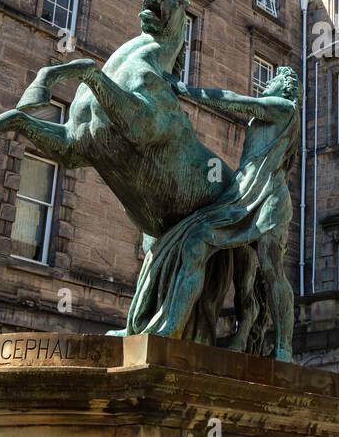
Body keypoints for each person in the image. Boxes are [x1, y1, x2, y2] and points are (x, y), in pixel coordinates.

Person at [123, 66, 300, 360]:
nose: (267, 84)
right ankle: (169, 327)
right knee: (196, 242)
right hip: (241, 195)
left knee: (271, 270)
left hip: (269, 198)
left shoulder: (283, 108)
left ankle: (284, 348)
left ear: (285, 89)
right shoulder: (270, 116)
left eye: (274, 80)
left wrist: (184, 90)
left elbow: (234, 101)